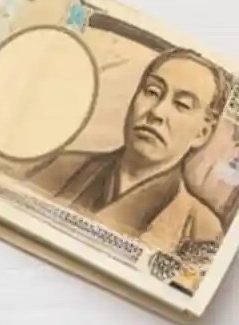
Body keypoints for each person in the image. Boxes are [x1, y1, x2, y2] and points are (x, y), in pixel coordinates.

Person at [28, 48, 228, 254]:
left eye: (181, 104)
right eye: (152, 92)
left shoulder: (202, 229)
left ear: (202, 132)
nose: (157, 112)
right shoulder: (59, 168)